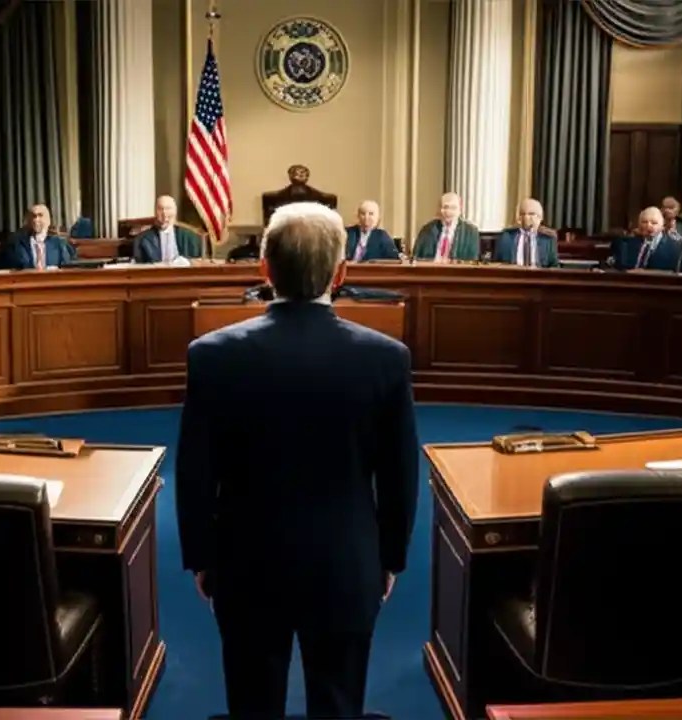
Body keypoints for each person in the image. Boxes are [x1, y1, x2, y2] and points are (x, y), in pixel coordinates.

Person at [176, 201, 419, 719]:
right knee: (338, 700)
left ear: (263, 269)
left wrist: (201, 555)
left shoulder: (212, 355)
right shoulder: (386, 358)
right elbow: (400, 477)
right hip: (347, 560)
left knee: (252, 701)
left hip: (246, 561)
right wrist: (390, 557)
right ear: (342, 273)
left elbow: (195, 470)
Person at [610, 207, 682, 273]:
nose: (648, 226)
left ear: (662, 225)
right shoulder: (624, 244)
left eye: (654, 223)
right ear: (638, 225)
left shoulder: (679, 249)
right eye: (644, 222)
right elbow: (614, 269)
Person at [0, 204, 77, 270]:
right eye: (33, 216)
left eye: (40, 215)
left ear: (48, 220)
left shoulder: (60, 243)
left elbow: (67, 268)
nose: (36, 220)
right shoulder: (15, 243)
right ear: (27, 221)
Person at [133, 196, 203, 263]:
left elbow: (198, 263)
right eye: (160, 209)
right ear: (155, 212)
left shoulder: (190, 237)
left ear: (175, 211)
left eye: (168, 208)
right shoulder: (142, 240)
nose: (164, 213)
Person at [412, 193, 479, 261]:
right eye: (445, 207)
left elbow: (472, 262)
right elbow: (415, 257)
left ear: (460, 210)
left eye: (453, 208)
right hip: (430, 270)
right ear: (439, 209)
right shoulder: (427, 230)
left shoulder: (471, 232)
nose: (449, 211)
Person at [493, 198, 559, 267]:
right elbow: (497, 263)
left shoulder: (548, 238)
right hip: (513, 275)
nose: (526, 217)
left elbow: (554, 265)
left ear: (540, 217)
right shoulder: (506, 236)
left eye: (531, 214)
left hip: (539, 276)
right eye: (522, 214)